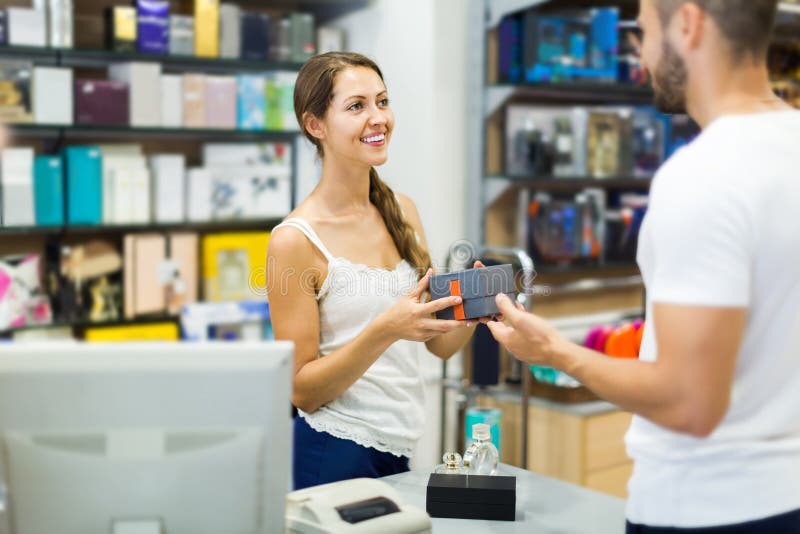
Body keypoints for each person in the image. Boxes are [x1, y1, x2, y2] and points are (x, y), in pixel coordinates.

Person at [487, 0, 800, 532]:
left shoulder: (704, 175)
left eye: (644, 31)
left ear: (688, 22)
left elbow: (688, 404)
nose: (639, 52)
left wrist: (555, 352)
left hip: (706, 507)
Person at [266, 52, 480, 490]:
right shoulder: (294, 241)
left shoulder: (403, 211)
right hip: (334, 452)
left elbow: (440, 346)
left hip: (401, 448)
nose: (378, 117)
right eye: (356, 106)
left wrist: (473, 308)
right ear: (315, 125)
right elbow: (301, 390)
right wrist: (386, 329)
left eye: (382, 101)